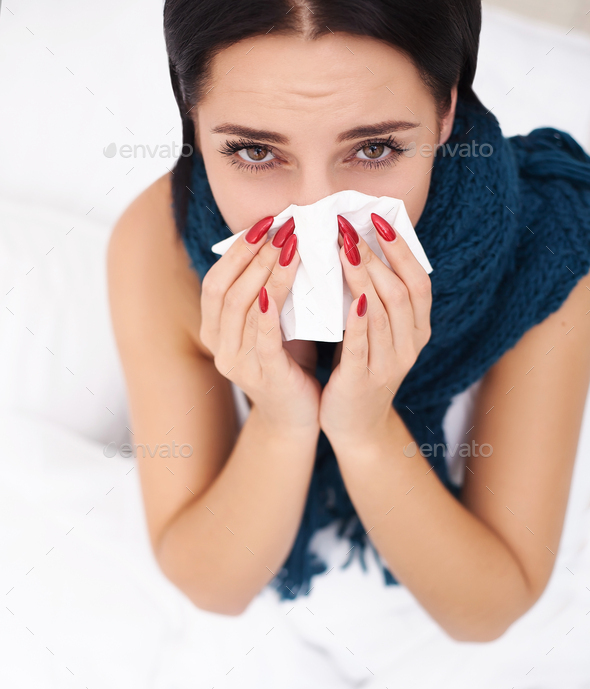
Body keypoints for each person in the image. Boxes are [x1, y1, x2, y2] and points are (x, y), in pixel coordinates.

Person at [107, 0, 590, 641]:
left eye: (375, 149)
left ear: (446, 110)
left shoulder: (547, 244)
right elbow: (212, 586)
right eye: (254, 151)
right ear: (193, 123)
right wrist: (282, 419)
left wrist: (364, 429)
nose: (317, 213)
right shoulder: (160, 245)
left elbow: (489, 607)